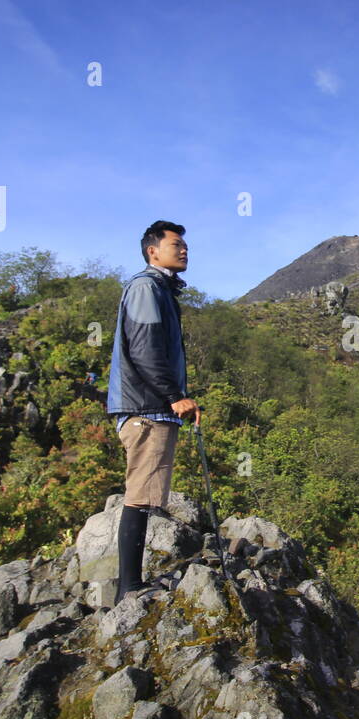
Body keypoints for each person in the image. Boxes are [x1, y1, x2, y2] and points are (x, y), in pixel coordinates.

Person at [105, 220, 199, 605]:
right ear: (152, 251)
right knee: (139, 497)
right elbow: (144, 350)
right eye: (176, 244)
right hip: (146, 408)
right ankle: (128, 587)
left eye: (185, 245)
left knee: (144, 496)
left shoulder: (160, 289)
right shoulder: (146, 287)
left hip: (151, 407)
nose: (184, 250)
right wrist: (175, 395)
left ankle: (132, 582)